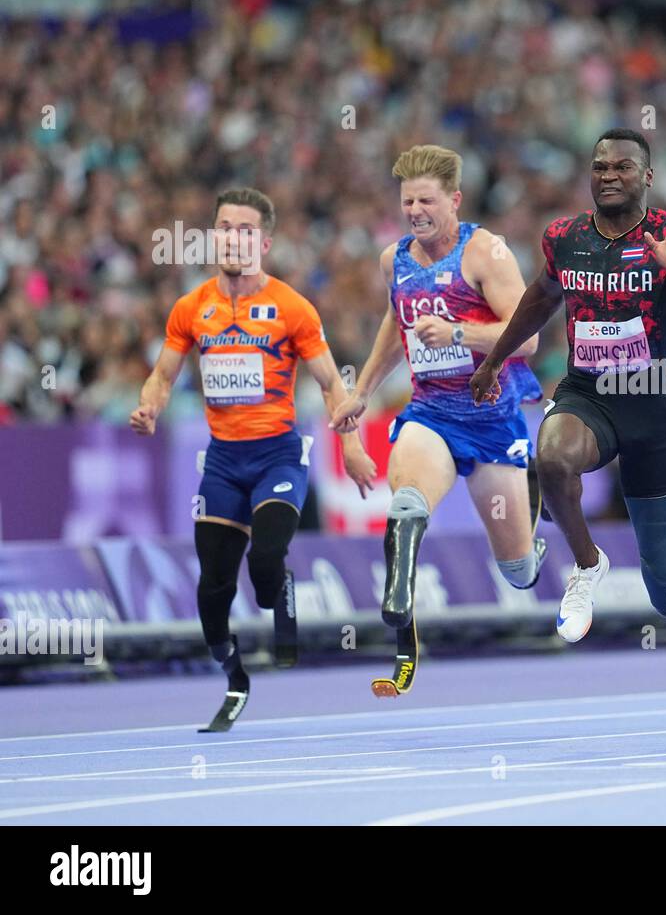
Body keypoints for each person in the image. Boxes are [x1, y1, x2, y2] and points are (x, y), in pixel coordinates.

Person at [469, 128, 666, 742]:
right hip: (586, 393)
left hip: (647, 407)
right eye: (599, 166)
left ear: (648, 176)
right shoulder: (565, 237)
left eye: (623, 167)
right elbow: (538, 298)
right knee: (550, 455)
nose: (609, 174)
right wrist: (493, 361)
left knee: (664, 583)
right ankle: (587, 565)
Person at [131, 187, 375, 731]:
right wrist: (149, 406)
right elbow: (163, 374)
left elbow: (333, 384)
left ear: (263, 241)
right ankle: (234, 674)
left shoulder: (292, 307)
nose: (232, 238)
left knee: (265, 563)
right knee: (213, 587)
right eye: (223, 227)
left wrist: (352, 446)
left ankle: (279, 588)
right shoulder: (192, 309)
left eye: (244, 229)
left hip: (278, 457)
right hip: (222, 463)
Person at [329, 145, 545, 696]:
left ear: (455, 200)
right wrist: (362, 391)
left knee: (519, 572)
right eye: (407, 201)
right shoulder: (393, 260)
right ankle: (399, 594)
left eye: (426, 200)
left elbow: (531, 335)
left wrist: (458, 333)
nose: (415, 211)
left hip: (491, 418)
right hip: (431, 412)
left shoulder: (486, 254)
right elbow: (393, 327)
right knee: (406, 499)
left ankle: (532, 515)